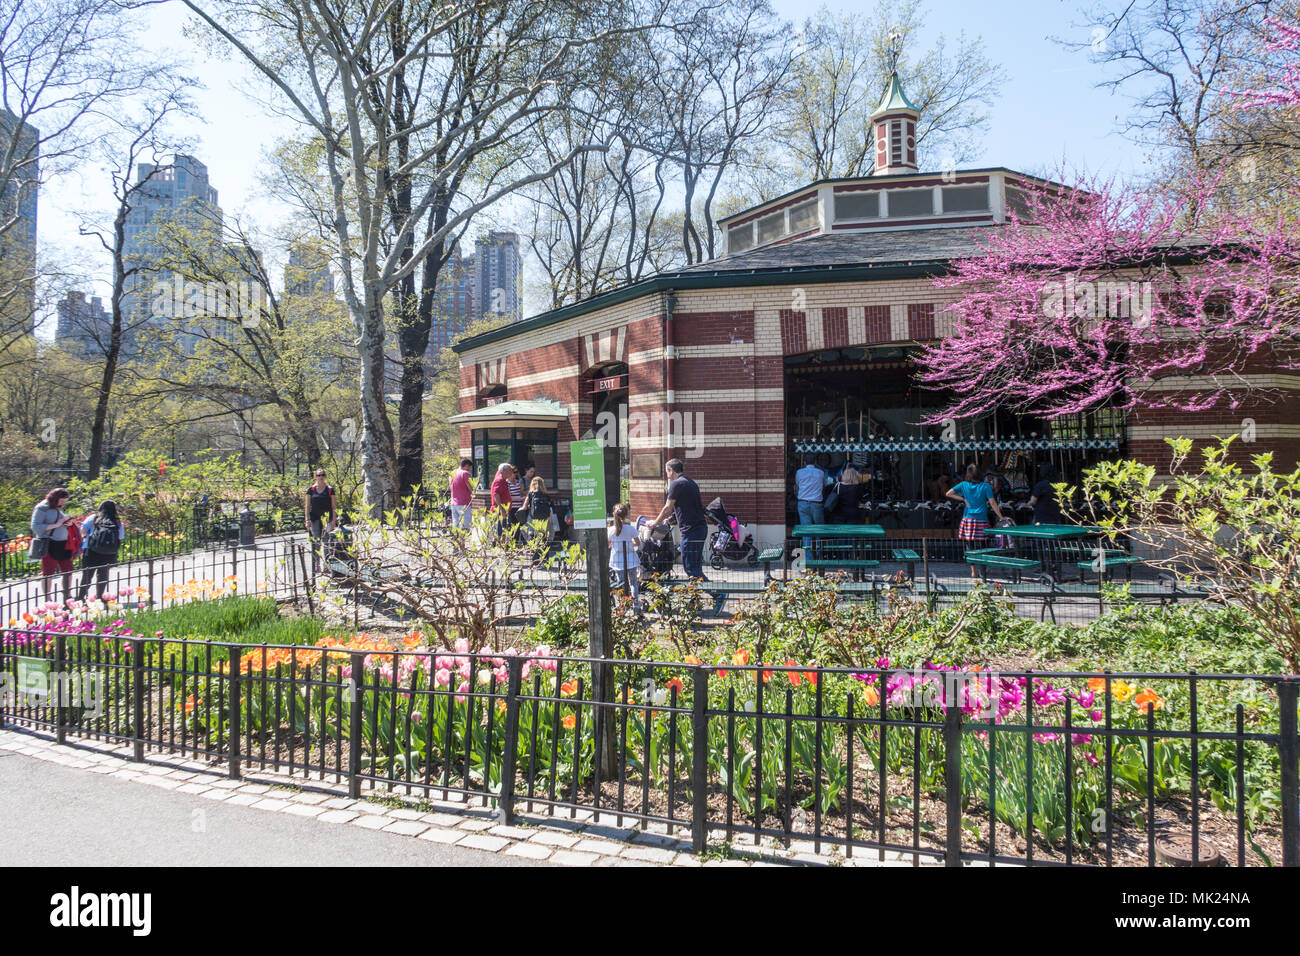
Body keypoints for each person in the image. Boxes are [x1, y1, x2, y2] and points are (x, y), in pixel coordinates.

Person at [946, 464, 1006, 577]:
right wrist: (1001, 517)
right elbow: (992, 503)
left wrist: (963, 499)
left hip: (968, 519)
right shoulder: (986, 486)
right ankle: (983, 570)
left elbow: (948, 493)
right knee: (984, 545)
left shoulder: (964, 485)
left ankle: (973, 571)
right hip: (981, 519)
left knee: (970, 546)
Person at [654, 458, 708, 580]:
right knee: (695, 567)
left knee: (691, 569)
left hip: (691, 532)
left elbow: (667, 508)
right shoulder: (690, 482)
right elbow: (687, 506)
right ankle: (696, 598)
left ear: (671, 470)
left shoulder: (676, 484)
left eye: (667, 472)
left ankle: (718, 594)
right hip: (699, 529)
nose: (667, 475)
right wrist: (671, 519)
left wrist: (654, 524)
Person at [30, 488, 76, 601]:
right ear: (55, 498)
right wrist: (57, 524)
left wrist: (67, 523)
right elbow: (35, 527)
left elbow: (59, 522)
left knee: (68, 570)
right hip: (50, 543)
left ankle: (67, 594)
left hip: (63, 544)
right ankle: (47, 598)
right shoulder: (42, 508)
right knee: (48, 572)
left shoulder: (57, 507)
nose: (63, 503)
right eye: (62, 501)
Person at [78, 500, 126, 602]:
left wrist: (86, 537)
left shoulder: (94, 518)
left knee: (87, 575)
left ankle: (81, 597)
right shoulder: (117, 522)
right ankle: (100, 596)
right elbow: (120, 537)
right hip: (109, 553)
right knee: (103, 575)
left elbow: (82, 529)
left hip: (91, 551)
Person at [304, 469, 337, 573]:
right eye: (319, 475)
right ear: (315, 477)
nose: (321, 477)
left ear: (325, 476)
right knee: (316, 542)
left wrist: (333, 521)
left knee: (327, 542)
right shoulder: (311, 489)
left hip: (327, 519)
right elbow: (308, 505)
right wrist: (307, 519)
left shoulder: (330, 489)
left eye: (322, 475)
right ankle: (316, 564)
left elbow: (333, 506)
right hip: (314, 519)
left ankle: (326, 565)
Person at [608, 502, 640, 607]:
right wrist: (630, 543)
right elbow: (638, 542)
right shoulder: (630, 529)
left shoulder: (611, 530)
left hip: (617, 561)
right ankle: (636, 606)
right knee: (633, 583)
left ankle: (623, 606)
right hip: (631, 559)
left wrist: (613, 544)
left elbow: (607, 545)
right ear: (626, 515)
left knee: (621, 584)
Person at [794, 456, 828, 552]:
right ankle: (818, 557)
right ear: (815, 462)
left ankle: (808, 560)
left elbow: (797, 485)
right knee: (818, 531)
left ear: (804, 462)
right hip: (816, 503)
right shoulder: (821, 473)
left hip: (803, 503)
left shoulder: (799, 472)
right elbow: (824, 485)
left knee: (806, 532)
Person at [449, 458, 474, 531]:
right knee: (465, 525)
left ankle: (457, 541)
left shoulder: (452, 473)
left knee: (456, 524)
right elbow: (470, 487)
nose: (469, 469)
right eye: (469, 467)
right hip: (463, 503)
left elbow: (451, 487)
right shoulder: (465, 473)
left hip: (453, 503)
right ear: (466, 465)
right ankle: (464, 542)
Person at [490, 462, 513, 534]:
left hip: (503, 512)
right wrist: (501, 509)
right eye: (510, 470)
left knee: (503, 533)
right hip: (499, 512)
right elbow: (496, 495)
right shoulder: (499, 480)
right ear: (504, 471)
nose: (511, 472)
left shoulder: (503, 480)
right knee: (498, 533)